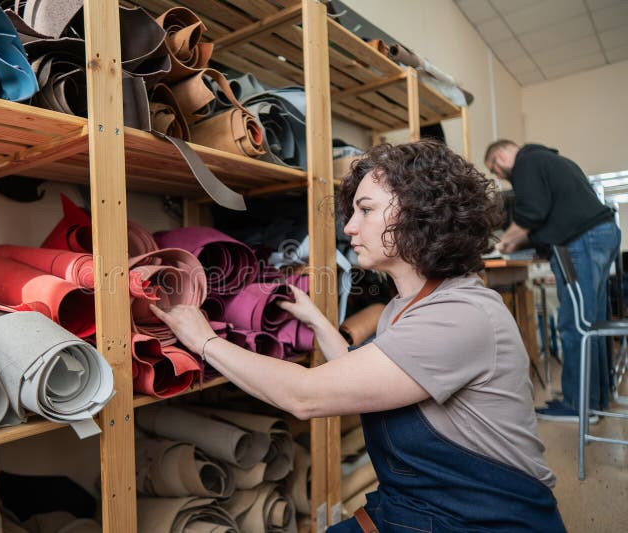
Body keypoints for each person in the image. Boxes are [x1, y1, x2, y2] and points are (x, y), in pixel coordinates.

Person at [151, 141, 566, 532]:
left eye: (365, 210)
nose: (349, 227)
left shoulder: (461, 316)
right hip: (422, 510)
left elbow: (305, 396)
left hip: (485, 519)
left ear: (421, 214)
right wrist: (316, 321)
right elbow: (363, 373)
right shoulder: (403, 308)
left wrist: (204, 340)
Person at [484, 140, 620, 421]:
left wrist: (499, 246)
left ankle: (578, 404)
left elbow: (531, 213)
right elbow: (546, 214)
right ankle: (595, 399)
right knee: (592, 323)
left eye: (494, 169)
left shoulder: (526, 164)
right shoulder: (554, 161)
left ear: (501, 156)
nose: (499, 175)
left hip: (583, 241)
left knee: (576, 325)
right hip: (600, 236)